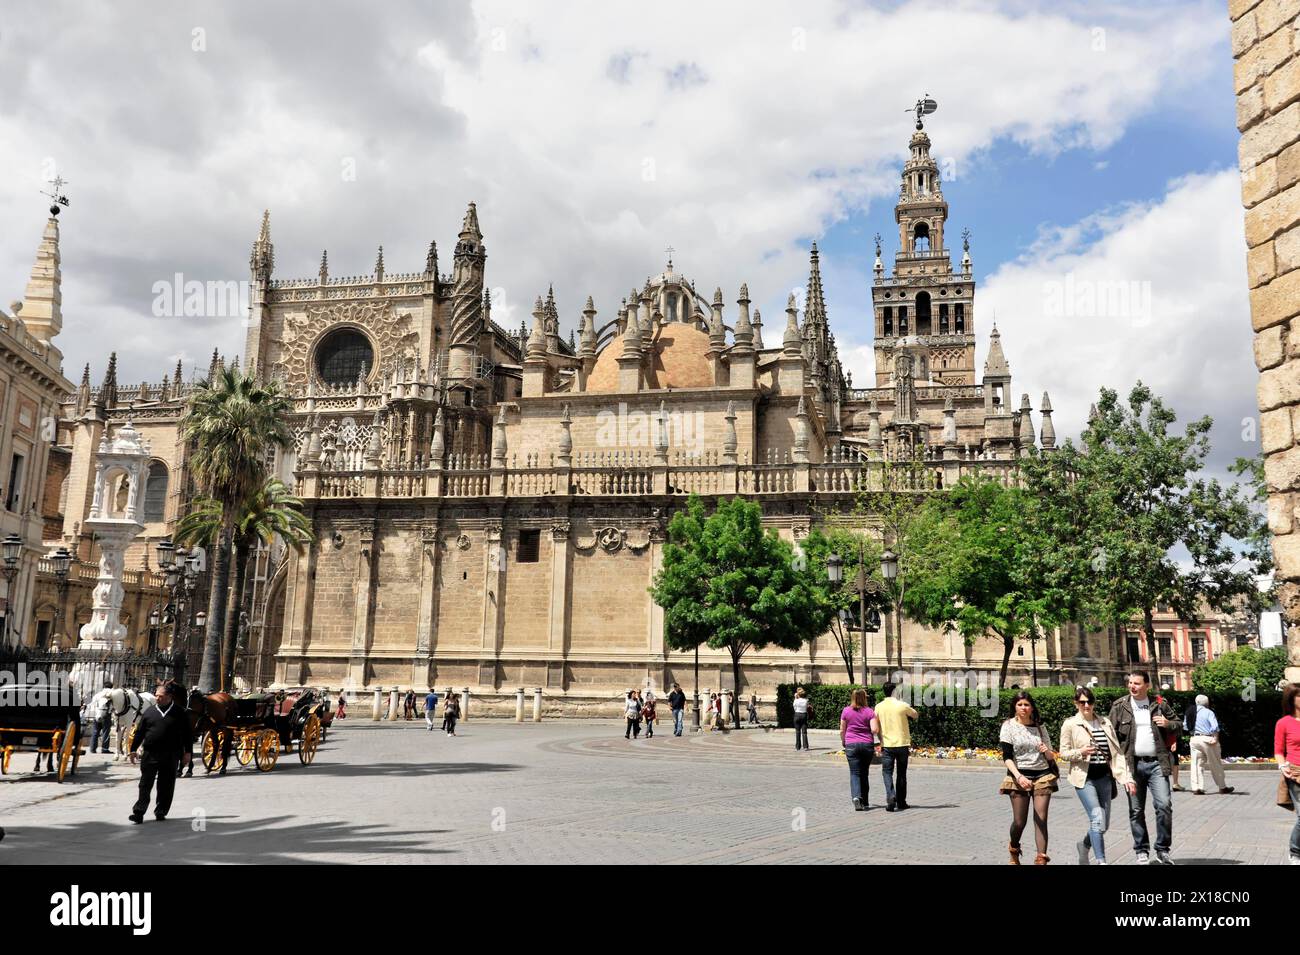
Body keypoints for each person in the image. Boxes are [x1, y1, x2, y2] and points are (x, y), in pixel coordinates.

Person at [1109, 670, 1181, 865]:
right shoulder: (1120, 706)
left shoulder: (1159, 704)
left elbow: (1178, 724)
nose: (1132, 686)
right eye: (1130, 683)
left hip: (1157, 763)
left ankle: (1162, 849)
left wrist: (1167, 723)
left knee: (1164, 805)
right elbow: (1111, 738)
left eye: (1137, 683)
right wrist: (1116, 767)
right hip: (1132, 766)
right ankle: (1141, 850)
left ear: (1147, 685)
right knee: (1135, 809)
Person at [1060, 687, 1131, 865]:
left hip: (1105, 778)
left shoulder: (1104, 722)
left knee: (1103, 825)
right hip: (1085, 778)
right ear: (1076, 703)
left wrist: (1125, 777)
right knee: (1097, 818)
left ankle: (1084, 845)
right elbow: (1063, 753)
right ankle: (1101, 861)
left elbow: (1116, 753)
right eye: (1082, 702)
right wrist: (1081, 752)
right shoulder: (1070, 724)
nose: (1086, 705)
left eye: (1089, 701)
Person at [999, 691, 1057, 864]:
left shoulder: (1040, 726)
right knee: (1019, 822)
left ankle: (1041, 858)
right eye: (1020, 705)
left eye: (1026, 705)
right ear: (1015, 707)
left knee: (1041, 817)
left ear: (1032, 707)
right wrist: (1018, 777)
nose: (1023, 708)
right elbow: (1007, 757)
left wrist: (1045, 750)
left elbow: (1051, 756)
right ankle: (1014, 848)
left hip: (1042, 775)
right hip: (1018, 776)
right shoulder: (1008, 726)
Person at [127, 680, 193, 823]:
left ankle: (161, 810)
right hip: (150, 753)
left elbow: (188, 734)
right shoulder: (149, 712)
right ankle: (139, 812)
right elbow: (140, 732)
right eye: (156, 695)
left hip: (171, 754)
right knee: (145, 783)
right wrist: (132, 749)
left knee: (166, 784)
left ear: (169, 697)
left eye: (160, 696)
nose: (157, 698)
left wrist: (188, 752)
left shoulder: (179, 713)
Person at [876, 680, 918, 812]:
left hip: (887, 744)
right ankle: (901, 802)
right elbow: (915, 715)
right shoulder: (902, 705)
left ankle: (890, 795)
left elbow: (876, 727)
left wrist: (881, 740)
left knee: (887, 772)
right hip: (902, 744)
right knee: (901, 773)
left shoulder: (879, 707)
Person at [839, 688, 881, 811]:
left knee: (854, 772)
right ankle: (865, 801)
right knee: (864, 773)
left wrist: (844, 741)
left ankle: (857, 797)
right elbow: (874, 729)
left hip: (851, 744)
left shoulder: (846, 711)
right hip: (867, 744)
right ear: (864, 698)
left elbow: (842, 729)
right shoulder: (869, 711)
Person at [1186, 694, 1233, 795]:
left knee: (1196, 764)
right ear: (1207, 703)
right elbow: (1215, 727)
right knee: (1215, 763)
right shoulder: (1208, 712)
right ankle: (1222, 787)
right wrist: (1215, 738)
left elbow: (1185, 726)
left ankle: (1197, 787)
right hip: (1207, 739)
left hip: (1194, 739)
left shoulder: (1190, 712)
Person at [1275, 683, 1300, 865]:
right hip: (1295, 772)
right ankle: (1295, 851)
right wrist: (1282, 766)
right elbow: (1278, 750)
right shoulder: (1284, 723)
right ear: (1292, 700)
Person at [89, 681, 113, 754]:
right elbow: (112, 706)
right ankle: (104, 749)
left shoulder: (97, 695)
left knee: (95, 731)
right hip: (106, 714)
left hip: (96, 714)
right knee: (106, 732)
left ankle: (93, 748)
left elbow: (92, 705)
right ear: (111, 687)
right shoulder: (111, 695)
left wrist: (94, 714)